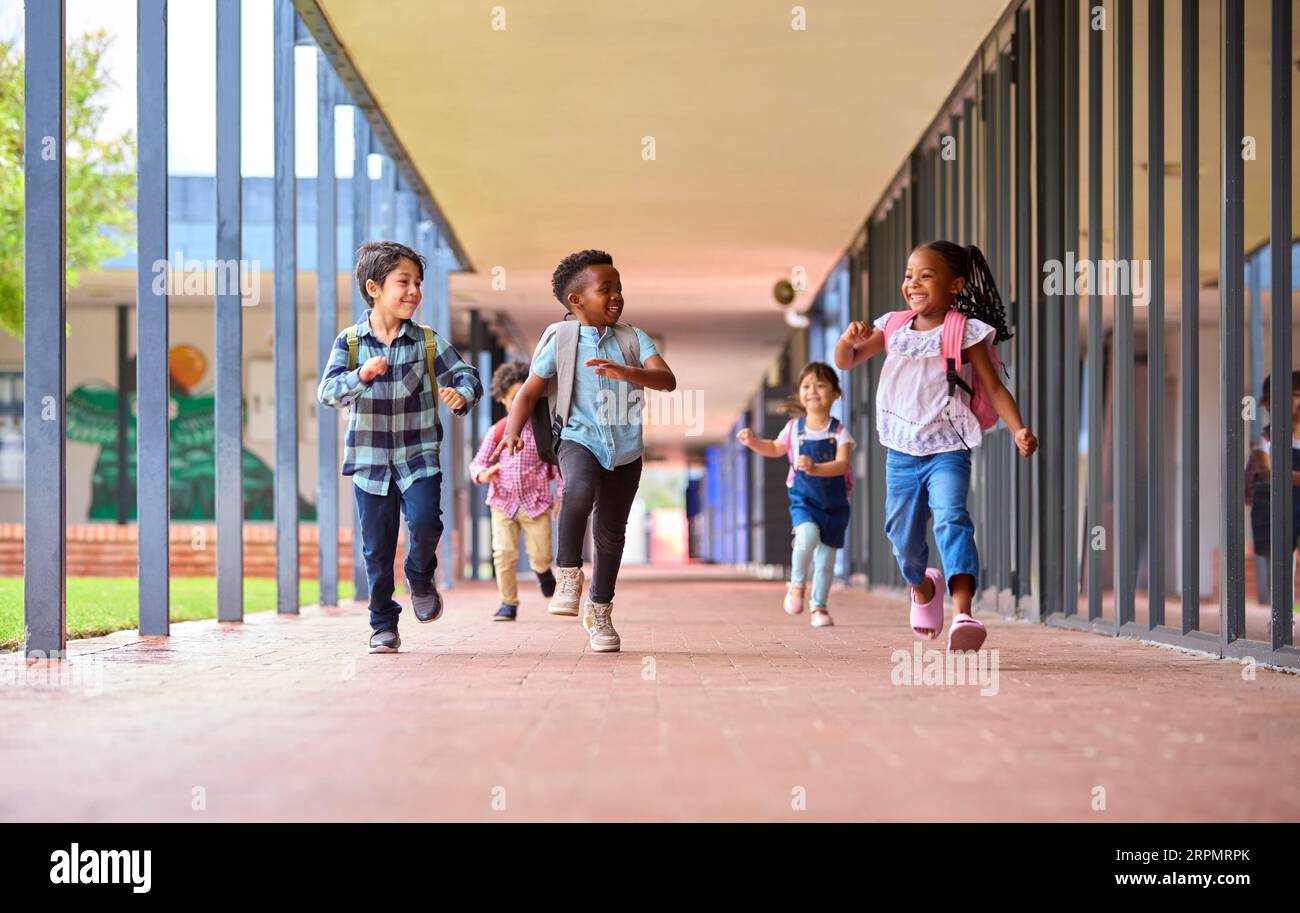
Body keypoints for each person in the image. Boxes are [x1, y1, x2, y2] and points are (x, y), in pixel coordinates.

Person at [834, 240, 1036, 651]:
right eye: (910, 275)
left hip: (948, 446)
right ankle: (923, 587)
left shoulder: (965, 331)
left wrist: (1018, 428)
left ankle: (964, 612)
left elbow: (995, 388)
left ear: (955, 285)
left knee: (951, 519)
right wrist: (846, 337)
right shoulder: (892, 326)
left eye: (926, 275)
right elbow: (847, 360)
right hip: (902, 450)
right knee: (901, 536)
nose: (914, 283)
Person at [493, 249, 677, 653]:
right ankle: (569, 574)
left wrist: (629, 372)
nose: (616, 297)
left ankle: (600, 610)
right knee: (577, 490)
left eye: (619, 289)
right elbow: (529, 392)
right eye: (606, 289)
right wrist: (511, 431)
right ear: (576, 300)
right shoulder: (561, 339)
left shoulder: (633, 337)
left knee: (612, 534)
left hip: (626, 448)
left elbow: (667, 380)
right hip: (578, 438)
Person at [317, 240, 482, 654]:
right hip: (370, 462)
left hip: (419, 455)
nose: (414, 291)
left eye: (418, 283)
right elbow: (328, 392)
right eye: (403, 282)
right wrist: (361, 376)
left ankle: (420, 575)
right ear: (374, 288)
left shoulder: (426, 342)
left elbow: (468, 376)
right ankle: (382, 624)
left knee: (426, 522)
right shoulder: (350, 343)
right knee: (376, 548)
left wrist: (461, 395)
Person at [736, 362, 854, 627]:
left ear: (836, 393)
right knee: (806, 537)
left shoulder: (839, 432)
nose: (813, 391)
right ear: (800, 392)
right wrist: (752, 441)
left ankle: (819, 607)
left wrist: (816, 467)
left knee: (826, 560)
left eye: (821, 385)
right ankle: (797, 585)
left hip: (835, 504)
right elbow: (776, 448)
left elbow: (843, 464)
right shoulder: (793, 428)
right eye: (806, 386)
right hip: (805, 500)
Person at [470, 360, 562, 621]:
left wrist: (561, 496)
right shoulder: (498, 431)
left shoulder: (544, 433)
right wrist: (483, 474)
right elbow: (478, 462)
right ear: (503, 399)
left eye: (524, 397)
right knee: (503, 553)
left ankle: (543, 570)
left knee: (541, 554)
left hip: (536, 503)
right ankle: (508, 603)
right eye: (512, 398)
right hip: (503, 503)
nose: (519, 403)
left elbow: (557, 469)